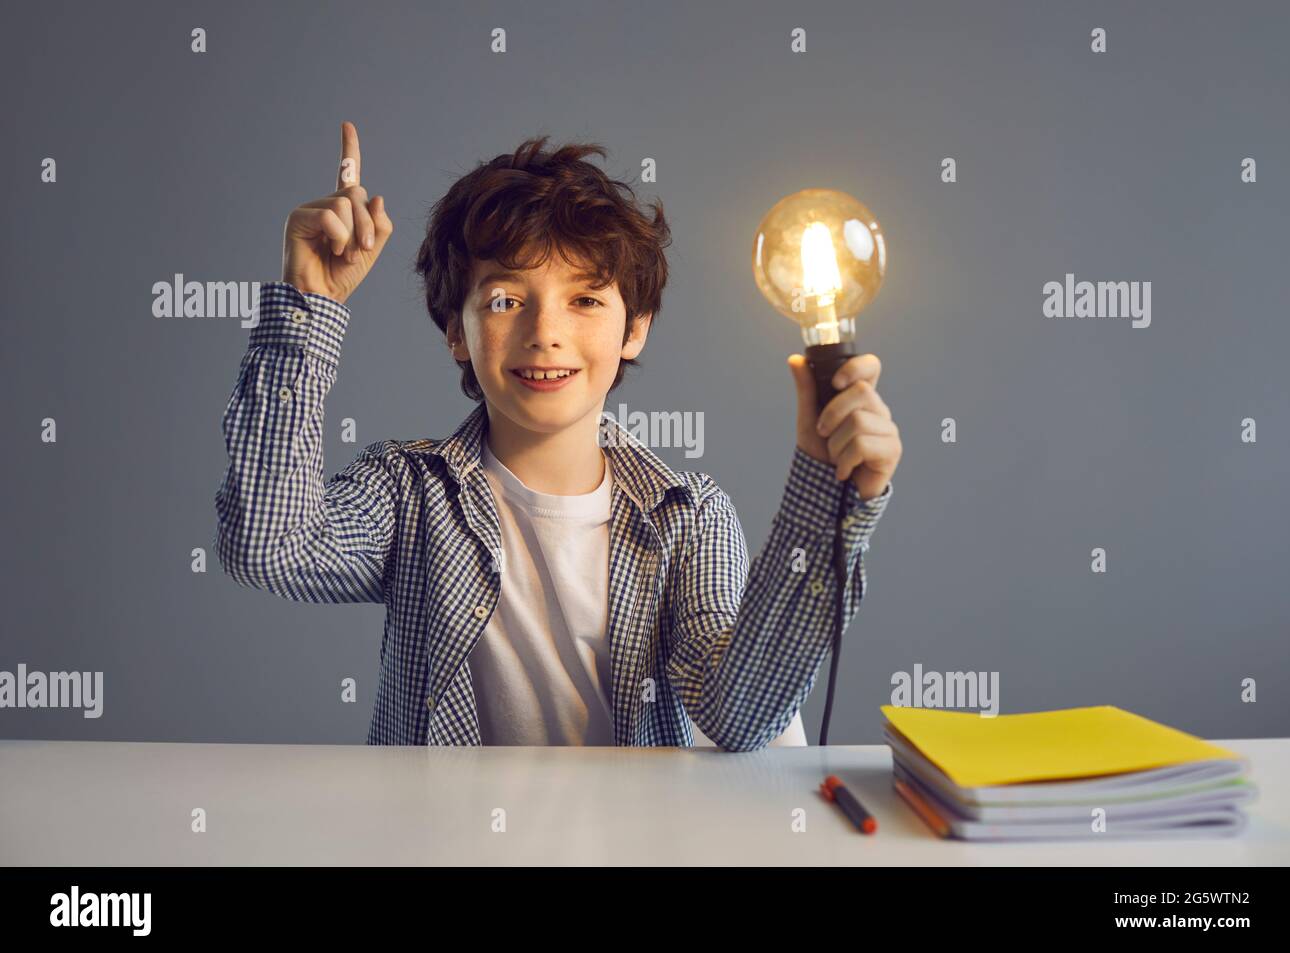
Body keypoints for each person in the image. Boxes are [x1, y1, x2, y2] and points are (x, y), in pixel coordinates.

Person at [214, 122, 901, 750]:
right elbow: (269, 547)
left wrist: (825, 493)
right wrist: (311, 306)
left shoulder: (689, 520)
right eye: (506, 300)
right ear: (457, 330)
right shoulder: (409, 493)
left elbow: (742, 714)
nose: (546, 331)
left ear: (634, 330)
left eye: (586, 299)